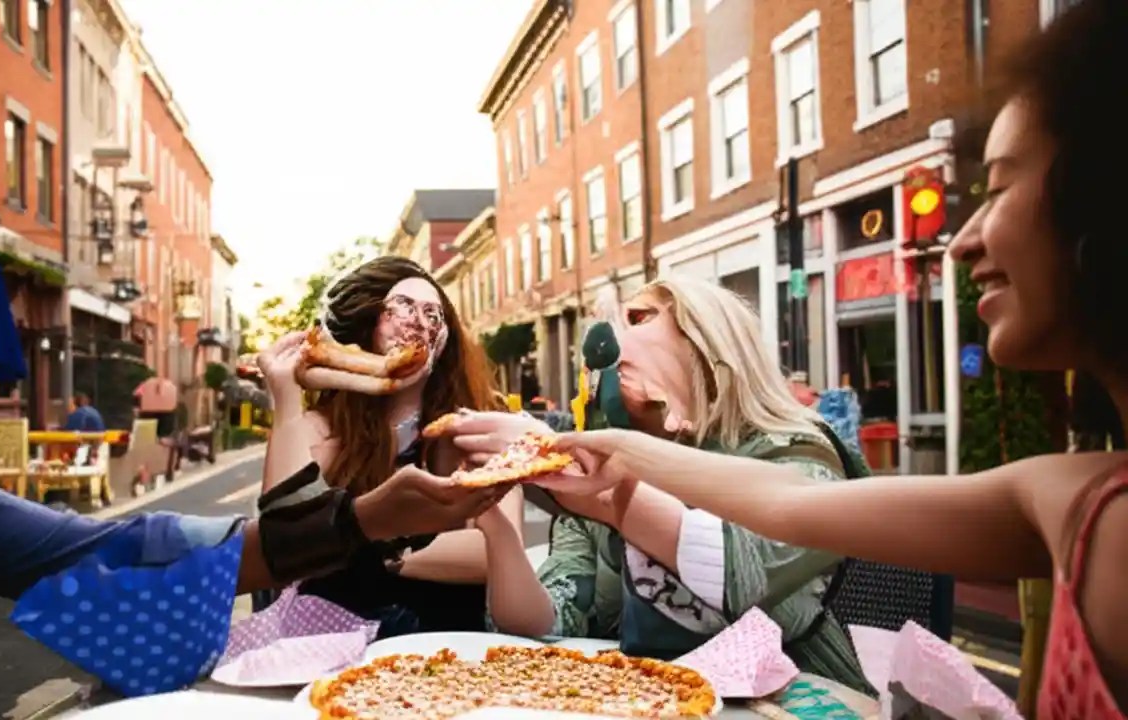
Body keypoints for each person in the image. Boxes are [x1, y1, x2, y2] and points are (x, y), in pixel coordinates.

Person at [535, 2, 1128, 713]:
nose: (965, 241)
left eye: (998, 187)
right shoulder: (1065, 493)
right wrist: (594, 453)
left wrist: (609, 469)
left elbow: (754, 551)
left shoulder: (1087, 511)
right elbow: (786, 507)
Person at [0, 105, 507, 719]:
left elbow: (101, 552)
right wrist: (359, 511)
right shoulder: (325, 425)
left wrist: (366, 522)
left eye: (432, 313)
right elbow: (276, 516)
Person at [453, 279, 869, 691]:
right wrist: (497, 525)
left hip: (801, 699)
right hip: (656, 698)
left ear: (706, 340)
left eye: (637, 317)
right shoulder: (601, 463)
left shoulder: (795, 448)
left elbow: (745, 574)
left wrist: (587, 480)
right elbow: (546, 622)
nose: (608, 341)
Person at [254, 256, 520, 637]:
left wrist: (374, 553)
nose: (418, 322)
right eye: (402, 307)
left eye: (433, 314)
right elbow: (285, 542)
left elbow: (495, 552)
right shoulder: (319, 430)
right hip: (331, 642)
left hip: (447, 639)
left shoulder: (474, 427)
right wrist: (287, 397)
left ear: (446, 338)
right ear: (366, 327)